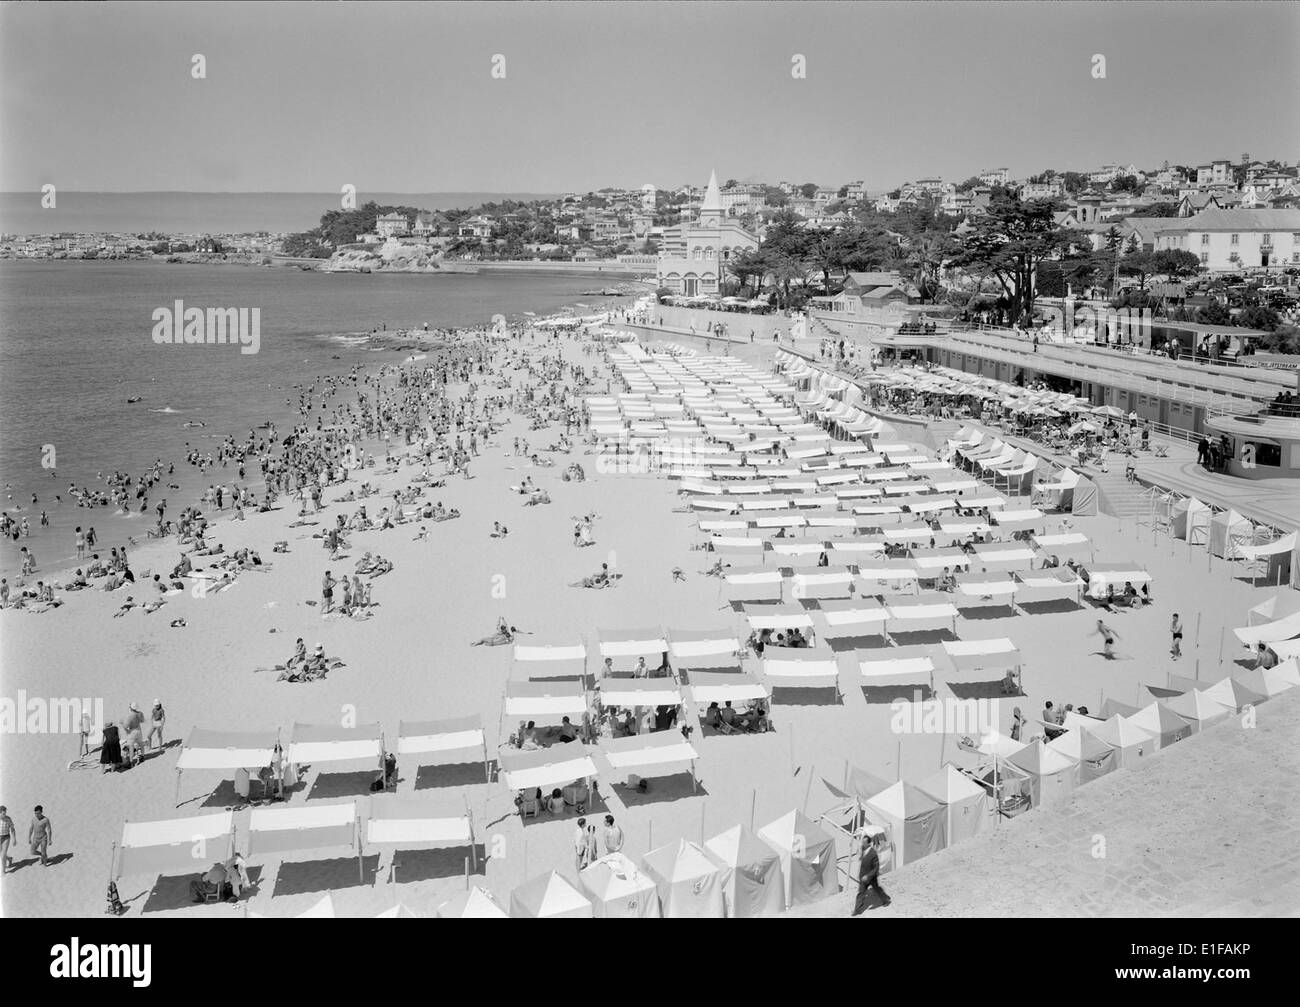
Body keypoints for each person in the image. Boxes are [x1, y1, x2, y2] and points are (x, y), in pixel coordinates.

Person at [852, 833, 890, 914]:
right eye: (863, 842)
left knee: (877, 889)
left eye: (864, 842)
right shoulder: (863, 849)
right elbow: (862, 859)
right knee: (861, 893)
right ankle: (857, 910)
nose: (863, 843)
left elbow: (876, 868)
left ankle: (886, 900)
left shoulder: (873, 854)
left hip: (871, 877)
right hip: (863, 876)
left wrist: (868, 876)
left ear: (869, 843)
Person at [0, 805, 14, 873]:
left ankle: (3, 871)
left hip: (6, 837)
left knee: (2, 855)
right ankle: (9, 859)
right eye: (3, 813)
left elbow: (12, 829)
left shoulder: (8, 819)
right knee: (1, 854)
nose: (5, 814)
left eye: (5, 813)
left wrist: (14, 838)